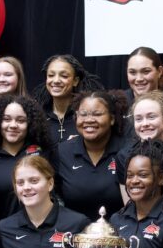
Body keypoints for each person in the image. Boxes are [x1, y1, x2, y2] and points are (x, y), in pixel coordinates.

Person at [54, 91, 129, 221]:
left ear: (112, 119)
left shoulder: (127, 151)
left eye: (97, 114)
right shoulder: (62, 152)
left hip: (118, 234)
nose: (89, 120)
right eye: (83, 114)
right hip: (73, 234)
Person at [0, 94, 54, 225]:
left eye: (21, 120)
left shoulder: (44, 153)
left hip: (41, 231)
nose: (13, 125)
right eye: (6, 119)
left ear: (31, 123)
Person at [115, 91, 163, 214]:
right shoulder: (124, 156)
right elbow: (129, 203)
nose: (145, 124)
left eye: (151, 117)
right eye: (138, 119)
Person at [33, 54, 103, 147]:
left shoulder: (85, 117)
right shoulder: (37, 116)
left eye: (64, 76)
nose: (56, 80)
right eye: (51, 75)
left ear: (75, 81)